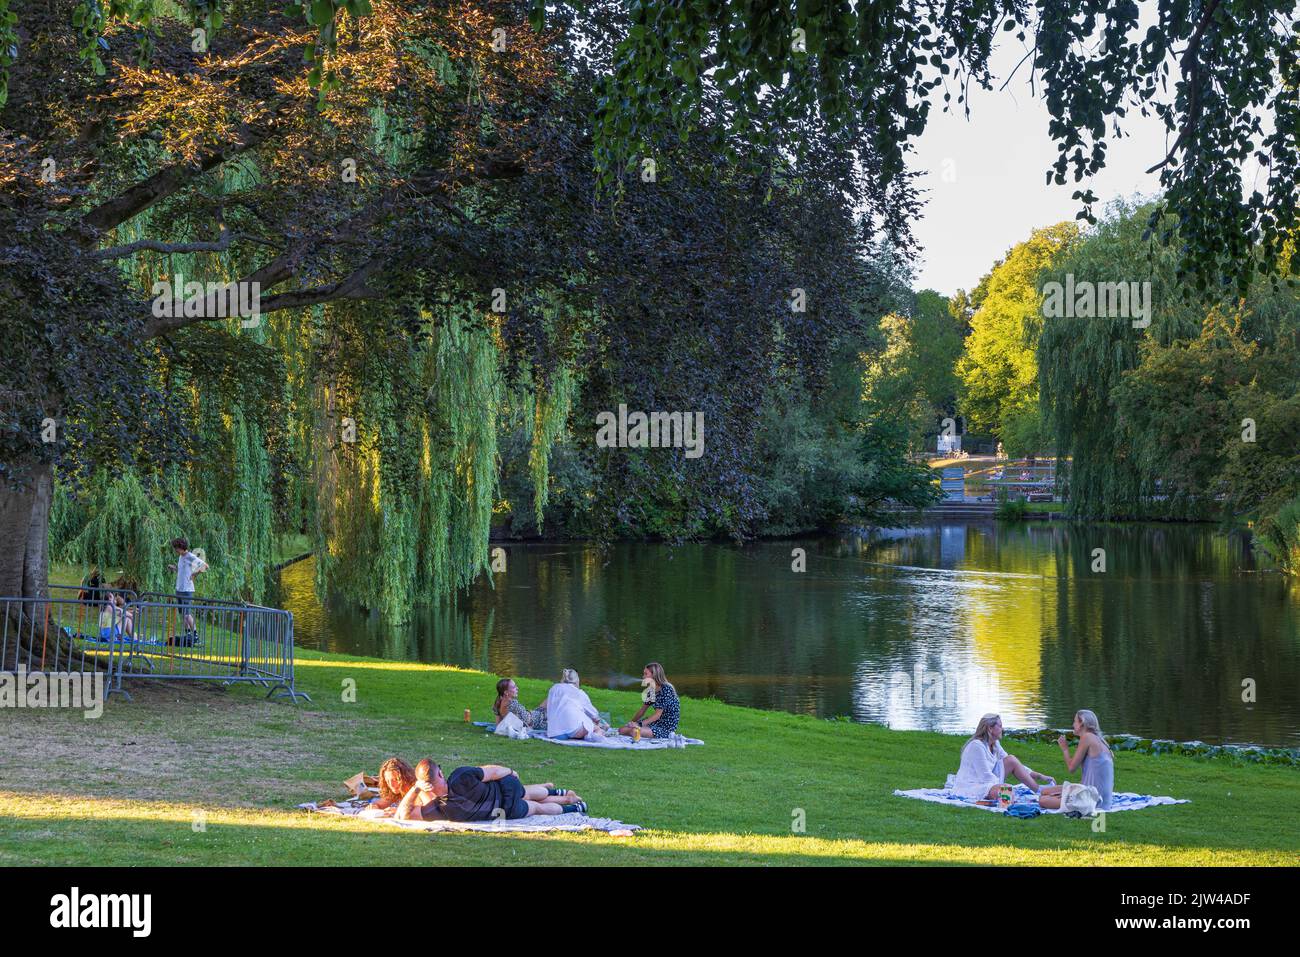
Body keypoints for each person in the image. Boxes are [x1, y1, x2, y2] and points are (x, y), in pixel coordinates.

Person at [396, 758, 588, 822]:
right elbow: (492, 771)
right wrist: (511, 771)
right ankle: (561, 794)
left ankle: (576, 808)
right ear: (440, 774)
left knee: (536, 808)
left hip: (504, 812)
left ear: (424, 784)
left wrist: (414, 790)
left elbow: (403, 815)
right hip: (505, 788)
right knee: (527, 793)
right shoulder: (459, 776)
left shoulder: (440, 809)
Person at [946, 713, 1054, 802]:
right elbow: (985, 776)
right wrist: (1001, 786)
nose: (1003, 729)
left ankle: (1038, 790)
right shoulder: (976, 746)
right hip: (973, 785)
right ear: (990, 728)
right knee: (1006, 790)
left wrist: (1039, 775)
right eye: (1000, 726)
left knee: (1010, 760)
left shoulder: (995, 744)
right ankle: (1006, 803)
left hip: (989, 780)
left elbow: (1015, 764)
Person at [1037, 710, 1115, 811]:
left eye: (1075, 721)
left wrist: (1065, 749)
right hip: (1097, 794)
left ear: (1082, 723)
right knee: (1045, 792)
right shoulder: (1097, 739)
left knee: (1043, 800)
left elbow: (1071, 768)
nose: (1073, 724)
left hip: (1092, 799)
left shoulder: (1087, 737)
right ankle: (1067, 797)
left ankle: (1070, 799)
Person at [619, 662, 681, 739]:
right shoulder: (651, 689)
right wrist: (631, 722)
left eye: (646, 674)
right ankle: (638, 732)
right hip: (655, 723)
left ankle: (639, 733)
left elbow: (657, 715)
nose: (643, 676)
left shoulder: (666, 689)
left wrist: (639, 725)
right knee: (621, 730)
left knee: (634, 731)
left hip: (665, 727)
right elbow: (642, 710)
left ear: (654, 675)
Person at [542, 669, 604, 740]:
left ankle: (586, 734)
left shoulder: (554, 688)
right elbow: (594, 715)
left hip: (555, 733)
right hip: (574, 730)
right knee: (597, 729)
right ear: (577, 680)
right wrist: (600, 723)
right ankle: (592, 736)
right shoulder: (579, 693)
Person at [168, 537, 208, 644]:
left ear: (181, 547)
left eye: (176, 548)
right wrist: (175, 568)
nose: (175, 550)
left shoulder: (190, 556)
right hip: (179, 589)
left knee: (187, 613)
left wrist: (195, 574)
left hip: (187, 589)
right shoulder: (181, 557)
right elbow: (183, 571)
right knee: (183, 614)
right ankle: (188, 634)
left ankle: (195, 635)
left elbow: (205, 566)